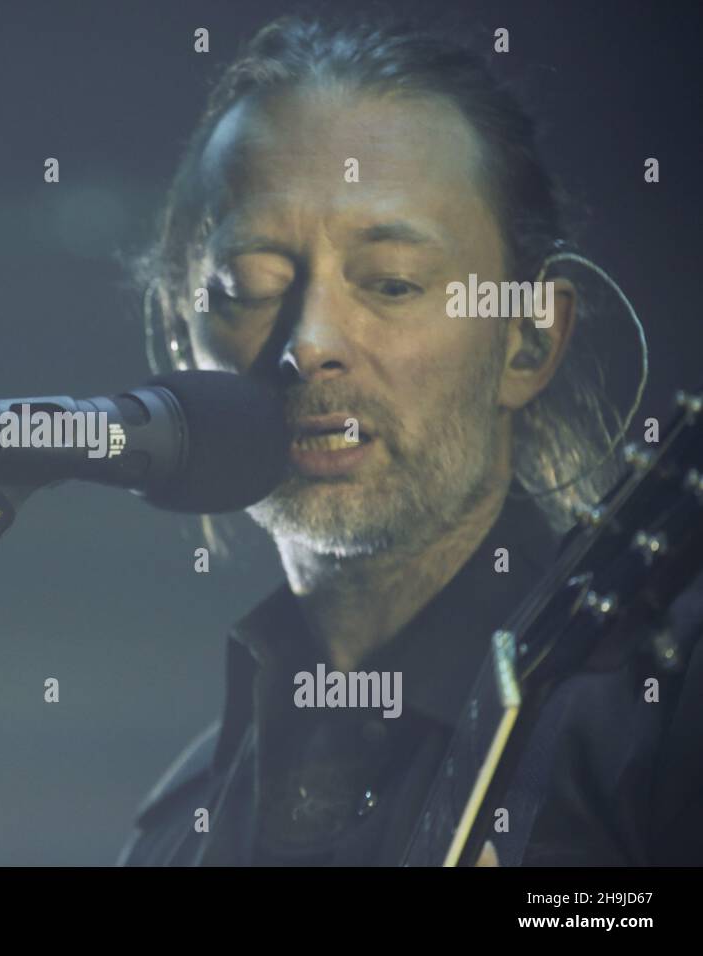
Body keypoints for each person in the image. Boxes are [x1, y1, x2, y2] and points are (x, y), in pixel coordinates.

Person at [117, 15, 703, 866]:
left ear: (529, 339)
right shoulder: (179, 825)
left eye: (393, 282)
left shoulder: (661, 728)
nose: (308, 340)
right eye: (251, 284)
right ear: (182, 342)